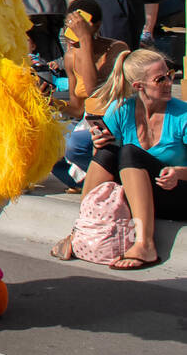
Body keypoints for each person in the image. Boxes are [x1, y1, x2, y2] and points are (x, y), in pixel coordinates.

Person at [51, 49, 187, 269]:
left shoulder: (183, 115)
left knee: (129, 152)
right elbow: (102, 162)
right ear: (138, 87)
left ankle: (145, 244)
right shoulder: (122, 109)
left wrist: (178, 173)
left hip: (177, 193)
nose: (170, 81)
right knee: (109, 150)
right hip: (137, 194)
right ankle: (82, 229)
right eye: (160, 78)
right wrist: (98, 146)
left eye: (170, 74)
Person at [50, 0, 128, 190]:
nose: (74, 32)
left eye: (80, 26)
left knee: (74, 144)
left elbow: (93, 89)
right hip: (86, 120)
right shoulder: (70, 57)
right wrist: (49, 101)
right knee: (49, 147)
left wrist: (85, 40)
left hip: (112, 120)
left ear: (96, 26)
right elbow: (77, 109)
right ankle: (94, 184)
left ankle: (112, 183)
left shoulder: (117, 49)